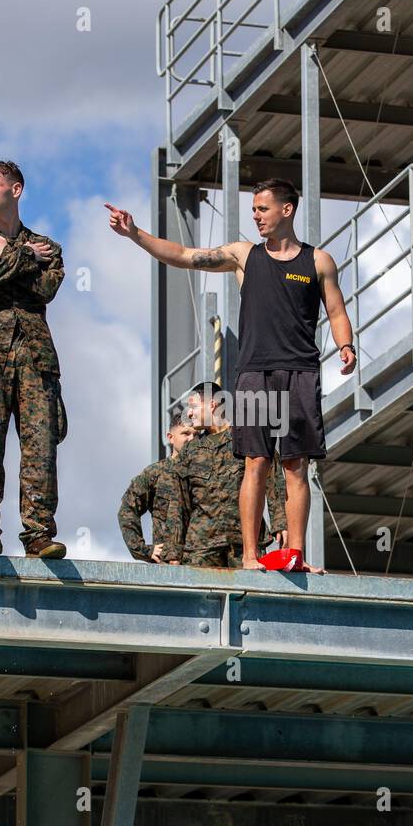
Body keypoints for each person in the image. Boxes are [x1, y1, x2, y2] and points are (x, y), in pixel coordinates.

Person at [106, 179, 355, 571]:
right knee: (256, 462)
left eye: (262, 209)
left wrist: (346, 344)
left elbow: (337, 310)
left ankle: (296, 555)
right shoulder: (244, 255)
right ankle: (251, 555)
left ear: (286, 210)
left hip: (300, 372)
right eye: (253, 209)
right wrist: (135, 234)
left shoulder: (318, 261)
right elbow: (186, 255)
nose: (255, 216)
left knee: (295, 466)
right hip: (255, 373)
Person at [0, 160, 67, 559]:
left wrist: (6, 252)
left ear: (15, 190)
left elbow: (46, 287)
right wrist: (22, 255)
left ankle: (38, 534)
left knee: (41, 448)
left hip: (36, 361)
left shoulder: (49, 248)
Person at [158, 381, 286, 569]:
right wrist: (173, 552)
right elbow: (179, 504)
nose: (189, 413)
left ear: (212, 404)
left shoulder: (247, 438)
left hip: (245, 543)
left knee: (249, 595)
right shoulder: (189, 451)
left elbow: (273, 477)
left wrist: (281, 522)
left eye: (193, 407)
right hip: (201, 549)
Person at [118, 418, 195, 562]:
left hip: (202, 562)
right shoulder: (155, 473)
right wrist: (143, 550)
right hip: (168, 563)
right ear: (170, 437)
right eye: (186, 433)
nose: (191, 439)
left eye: (195, 434)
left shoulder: (206, 474)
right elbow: (127, 509)